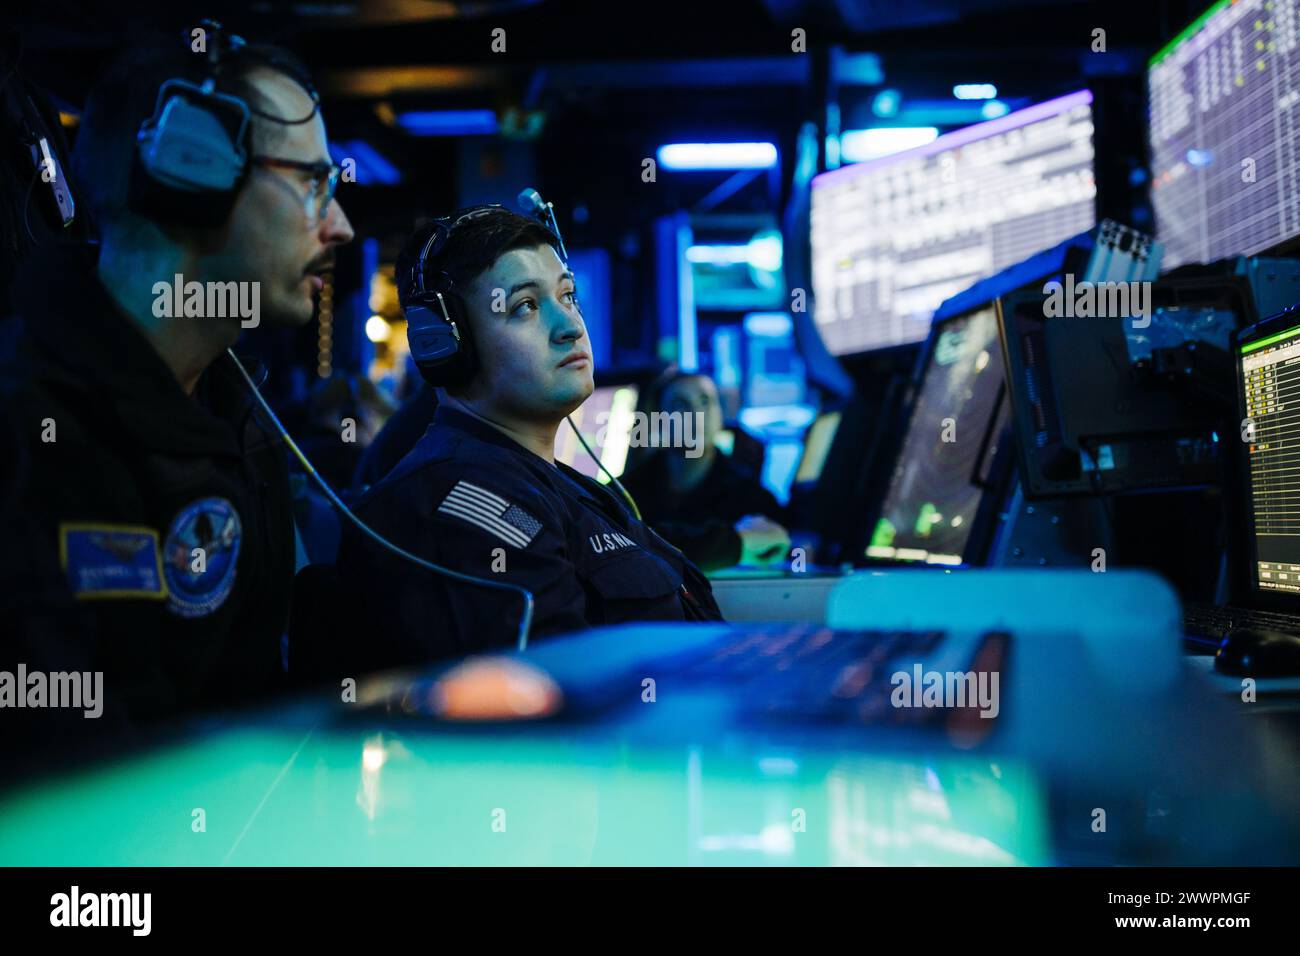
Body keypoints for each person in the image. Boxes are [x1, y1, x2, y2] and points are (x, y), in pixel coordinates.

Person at [0, 28, 354, 733]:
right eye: (313, 185)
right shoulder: (28, 437)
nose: (339, 225)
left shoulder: (235, 414)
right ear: (192, 171)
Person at [331, 206, 723, 669]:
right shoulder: (459, 506)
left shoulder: (549, 482)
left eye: (568, 296)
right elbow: (561, 710)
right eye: (525, 307)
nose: (571, 327)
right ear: (446, 346)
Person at [620, 371, 792, 572]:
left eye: (705, 401)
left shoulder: (755, 500)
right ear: (658, 420)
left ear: (721, 414)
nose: (695, 413)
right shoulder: (623, 495)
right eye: (679, 405)